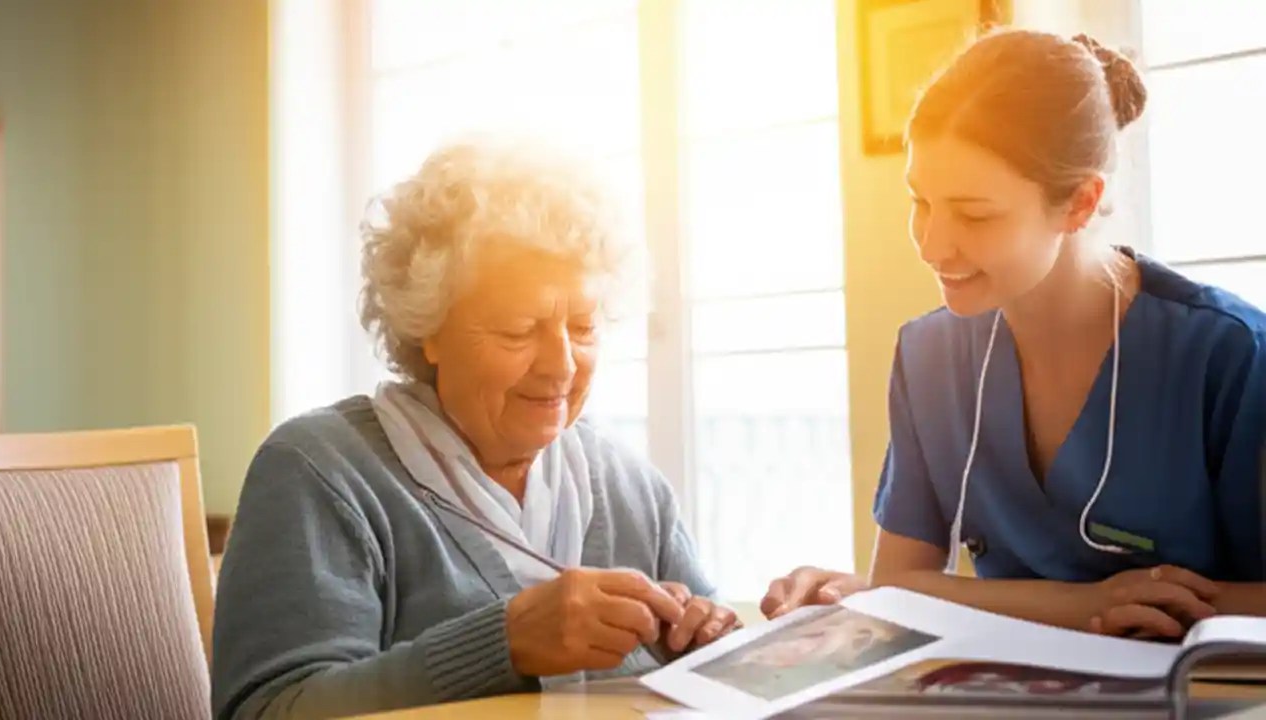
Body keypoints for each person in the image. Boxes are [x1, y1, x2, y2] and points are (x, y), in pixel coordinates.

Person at [211, 137, 738, 719]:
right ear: (428, 327)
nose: (561, 364)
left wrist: (713, 644)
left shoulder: (631, 488)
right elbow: (266, 711)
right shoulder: (319, 471)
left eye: (583, 326)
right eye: (518, 329)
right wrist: (503, 644)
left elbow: (728, 676)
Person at [762, 29, 1266, 637]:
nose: (931, 244)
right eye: (921, 201)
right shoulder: (929, 358)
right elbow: (898, 587)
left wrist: (942, 596)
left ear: (1080, 203)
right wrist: (1092, 606)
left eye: (975, 214)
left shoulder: (1227, 353)